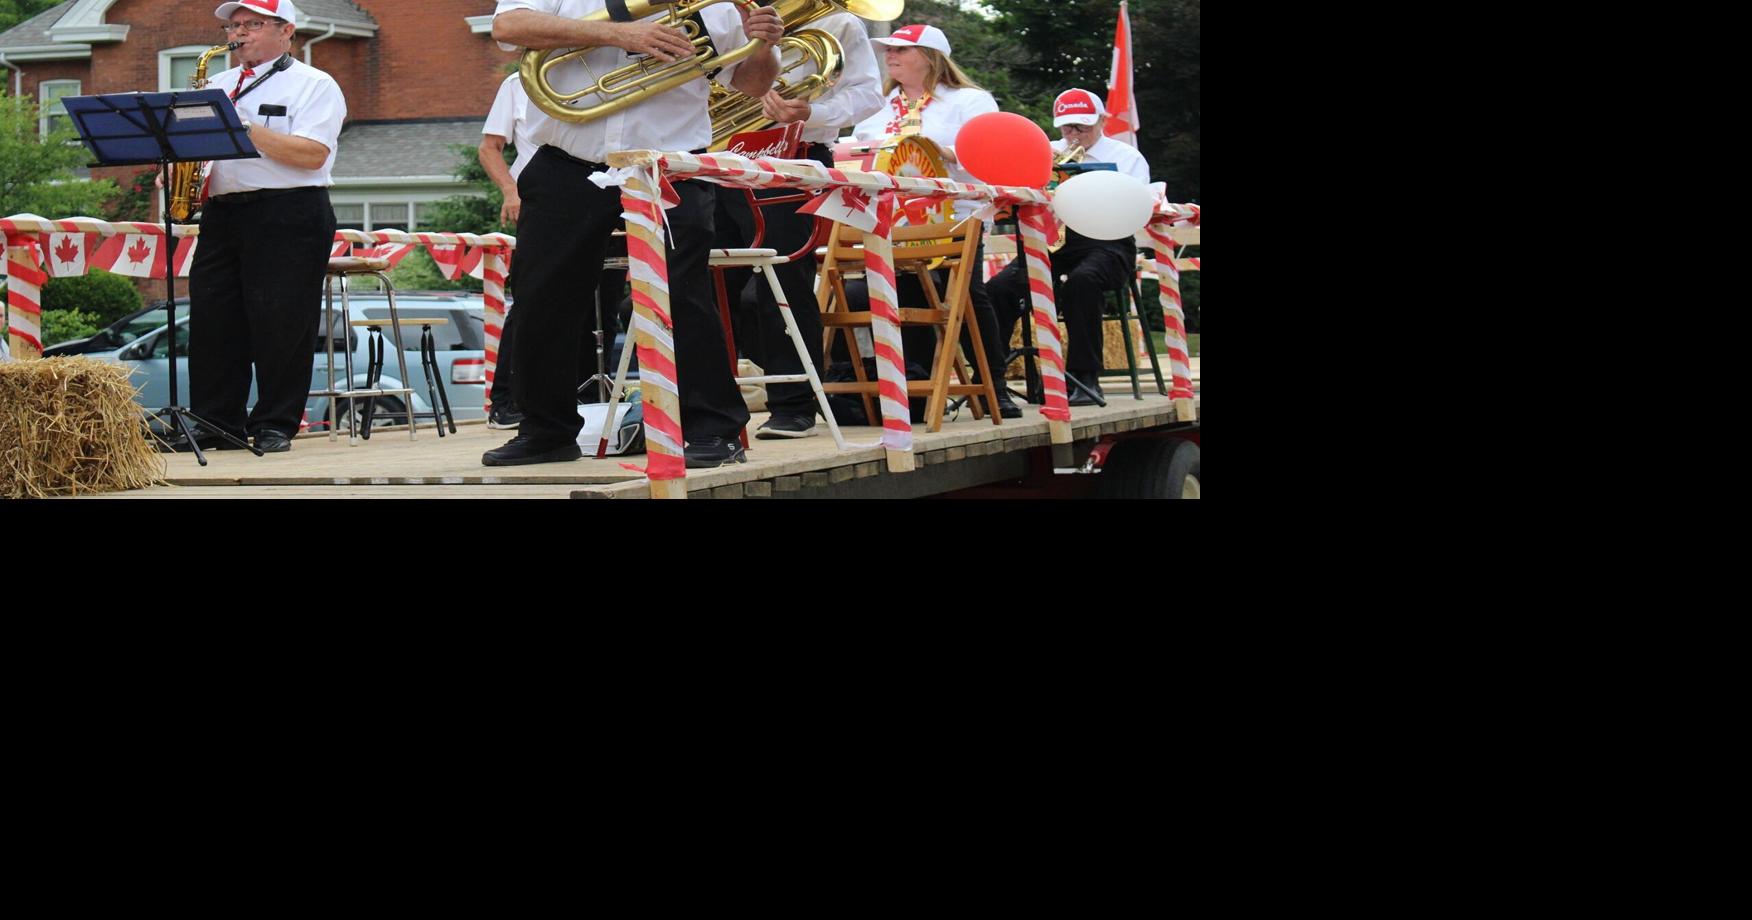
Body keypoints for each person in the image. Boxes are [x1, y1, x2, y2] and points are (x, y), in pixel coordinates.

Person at [484, 0, 782, 467]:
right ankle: (547, 430)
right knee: (541, 297)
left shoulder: (715, 5)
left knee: (682, 294)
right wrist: (617, 34)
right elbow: (508, 26)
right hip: (567, 159)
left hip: (668, 165)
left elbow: (748, 83)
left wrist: (763, 45)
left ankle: (713, 428)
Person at [714, 8, 883, 439]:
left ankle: (794, 405)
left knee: (783, 280)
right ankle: (711, 405)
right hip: (716, 157)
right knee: (707, 284)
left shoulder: (838, 23)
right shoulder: (720, 13)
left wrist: (814, 111)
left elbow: (868, 95)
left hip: (793, 152)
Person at [186, 0, 346, 452]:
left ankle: (276, 422)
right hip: (222, 212)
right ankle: (216, 422)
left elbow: (312, 155)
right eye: (234, 25)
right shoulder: (216, 82)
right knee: (214, 320)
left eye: (252, 24)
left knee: (282, 320)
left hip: (288, 211)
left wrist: (244, 126)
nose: (239, 33)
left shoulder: (315, 84)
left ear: (285, 31)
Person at [849, 23, 1019, 418]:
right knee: (900, 294)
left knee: (968, 296)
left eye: (901, 50)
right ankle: (912, 385)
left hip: (957, 217)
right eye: (888, 50)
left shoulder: (970, 101)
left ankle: (995, 386)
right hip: (890, 220)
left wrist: (937, 150)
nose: (890, 56)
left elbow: (988, 149)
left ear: (930, 57)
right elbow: (856, 149)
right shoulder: (877, 103)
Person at [986, 88, 1150, 406]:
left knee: (1083, 282)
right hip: (1054, 241)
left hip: (1107, 240)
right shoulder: (1045, 151)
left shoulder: (1126, 156)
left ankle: (1085, 378)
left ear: (1102, 121)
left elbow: (1137, 208)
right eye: (1067, 128)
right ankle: (995, 378)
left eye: (1082, 127)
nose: (1073, 135)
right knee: (999, 288)